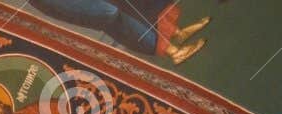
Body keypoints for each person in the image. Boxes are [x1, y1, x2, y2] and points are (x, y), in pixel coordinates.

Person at [28, 0, 209, 65]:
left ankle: (176, 32)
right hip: (99, 11)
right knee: (116, 16)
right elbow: (94, 11)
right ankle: (174, 52)